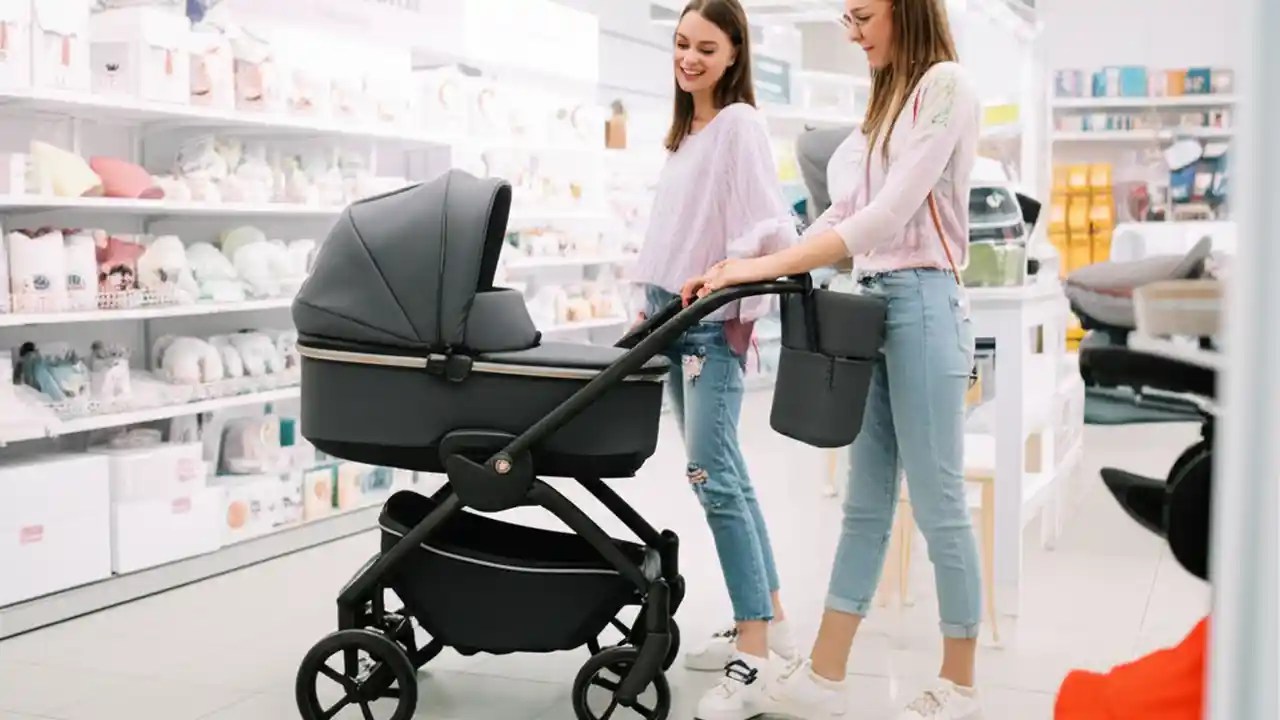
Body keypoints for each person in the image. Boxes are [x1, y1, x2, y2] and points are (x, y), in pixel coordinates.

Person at [682, 0, 986, 718]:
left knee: (940, 503)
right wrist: (742, 265)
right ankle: (825, 673)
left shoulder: (945, 86)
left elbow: (882, 220)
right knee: (864, 502)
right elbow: (841, 212)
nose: (853, 34)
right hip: (873, 305)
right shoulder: (884, 101)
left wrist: (763, 268)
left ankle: (962, 685)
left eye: (861, 16)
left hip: (925, 307)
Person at [630, 1, 800, 718]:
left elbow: (769, 225)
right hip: (667, 318)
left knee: (712, 474)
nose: (689, 58)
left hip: (706, 325)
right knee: (717, 473)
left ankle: (754, 656)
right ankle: (771, 622)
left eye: (705, 47)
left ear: (734, 54)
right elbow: (672, 229)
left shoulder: (739, 124)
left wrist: (726, 280)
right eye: (680, 44)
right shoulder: (686, 134)